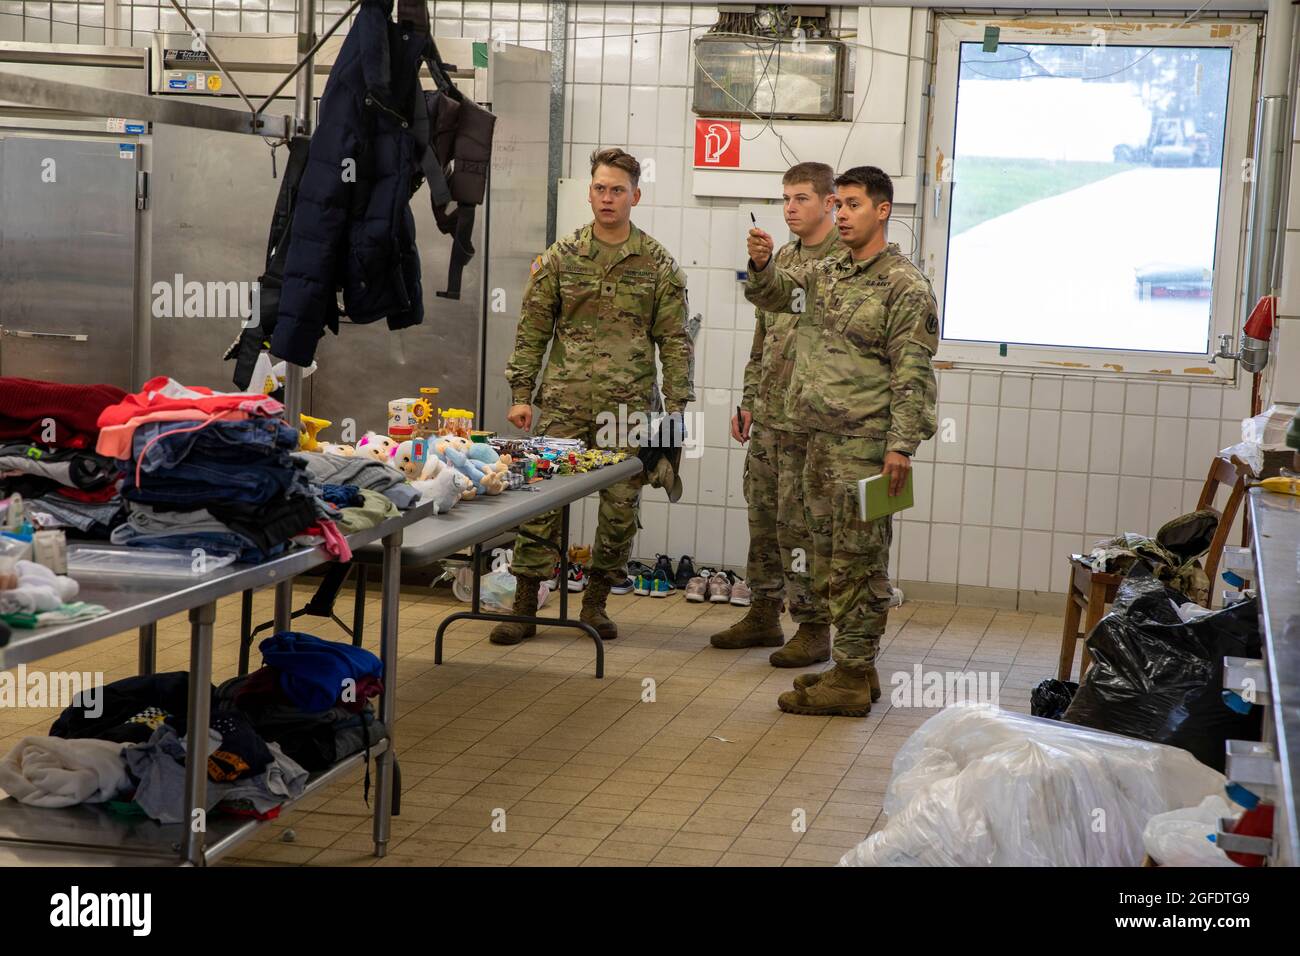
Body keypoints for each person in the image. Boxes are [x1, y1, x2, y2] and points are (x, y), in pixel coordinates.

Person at [743, 165, 938, 717]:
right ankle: (858, 666)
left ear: (882, 211)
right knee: (829, 556)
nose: (844, 214)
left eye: (854, 204)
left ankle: (850, 677)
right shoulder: (829, 272)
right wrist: (760, 264)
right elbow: (778, 296)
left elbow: (914, 374)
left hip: (870, 448)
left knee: (860, 558)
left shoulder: (904, 285)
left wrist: (902, 446)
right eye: (841, 204)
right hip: (817, 443)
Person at [496, 147, 695, 644]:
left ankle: (598, 603)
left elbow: (674, 340)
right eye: (600, 188)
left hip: (627, 411)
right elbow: (533, 330)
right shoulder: (561, 257)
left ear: (635, 196)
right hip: (563, 403)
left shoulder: (657, 264)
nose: (608, 198)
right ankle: (524, 606)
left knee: (620, 506)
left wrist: (677, 408)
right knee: (540, 500)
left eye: (618, 190)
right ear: (590, 192)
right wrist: (522, 393)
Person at [712, 162, 846, 668]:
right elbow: (763, 340)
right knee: (763, 517)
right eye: (786, 198)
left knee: (803, 528)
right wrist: (749, 399)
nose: (790, 207)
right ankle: (764, 612)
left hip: (813, 423)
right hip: (771, 413)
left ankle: (813, 626)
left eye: (802, 198)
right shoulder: (784, 259)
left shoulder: (842, 264)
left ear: (830, 203)